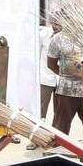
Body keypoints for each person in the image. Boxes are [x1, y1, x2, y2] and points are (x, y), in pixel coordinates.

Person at [47, 16, 83, 139]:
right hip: (65, 90)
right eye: (68, 19)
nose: (73, 21)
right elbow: (51, 64)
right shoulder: (57, 39)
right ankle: (59, 154)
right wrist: (66, 76)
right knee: (61, 127)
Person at [27, 13, 61, 150]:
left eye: (59, 21)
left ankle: (52, 139)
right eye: (55, 21)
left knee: (58, 112)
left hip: (60, 79)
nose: (57, 24)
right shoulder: (43, 34)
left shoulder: (66, 36)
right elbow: (35, 53)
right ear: (51, 21)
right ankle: (35, 139)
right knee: (40, 111)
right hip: (45, 77)